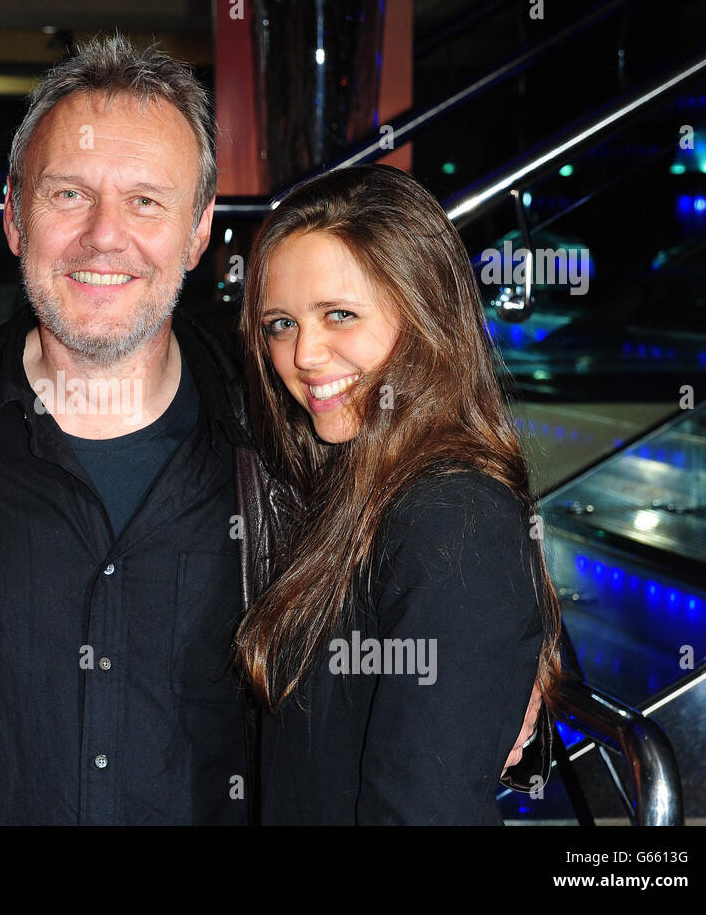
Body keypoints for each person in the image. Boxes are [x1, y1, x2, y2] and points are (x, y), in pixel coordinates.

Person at [0, 36, 542, 826]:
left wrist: (522, 675)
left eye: (146, 200)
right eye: (69, 193)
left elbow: (453, 581)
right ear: (14, 214)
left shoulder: (298, 444)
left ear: (199, 228)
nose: (105, 234)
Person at [237, 163, 562, 824]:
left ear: (424, 316)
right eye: (280, 324)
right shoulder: (345, 484)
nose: (304, 354)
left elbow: (422, 807)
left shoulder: (454, 514)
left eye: (339, 315)